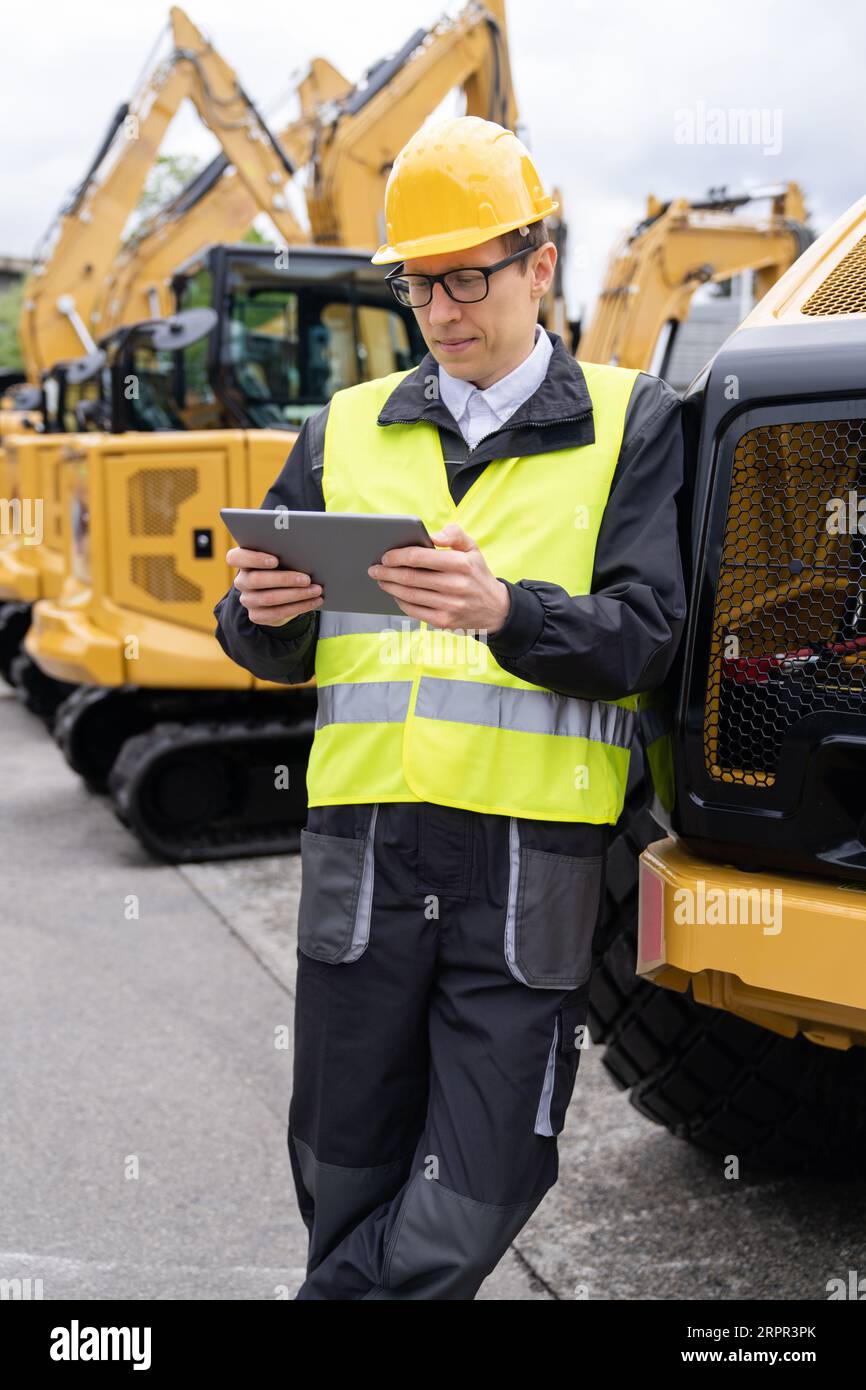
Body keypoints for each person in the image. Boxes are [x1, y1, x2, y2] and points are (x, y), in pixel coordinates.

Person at [213, 114, 687, 1300]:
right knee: (342, 1166)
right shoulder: (342, 430)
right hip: (362, 851)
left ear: (540, 264)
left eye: (467, 276)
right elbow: (267, 647)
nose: (442, 308)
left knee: (477, 1186)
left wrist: (507, 612)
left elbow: (649, 636)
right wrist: (263, 614)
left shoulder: (635, 422)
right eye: (419, 285)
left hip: (527, 865)